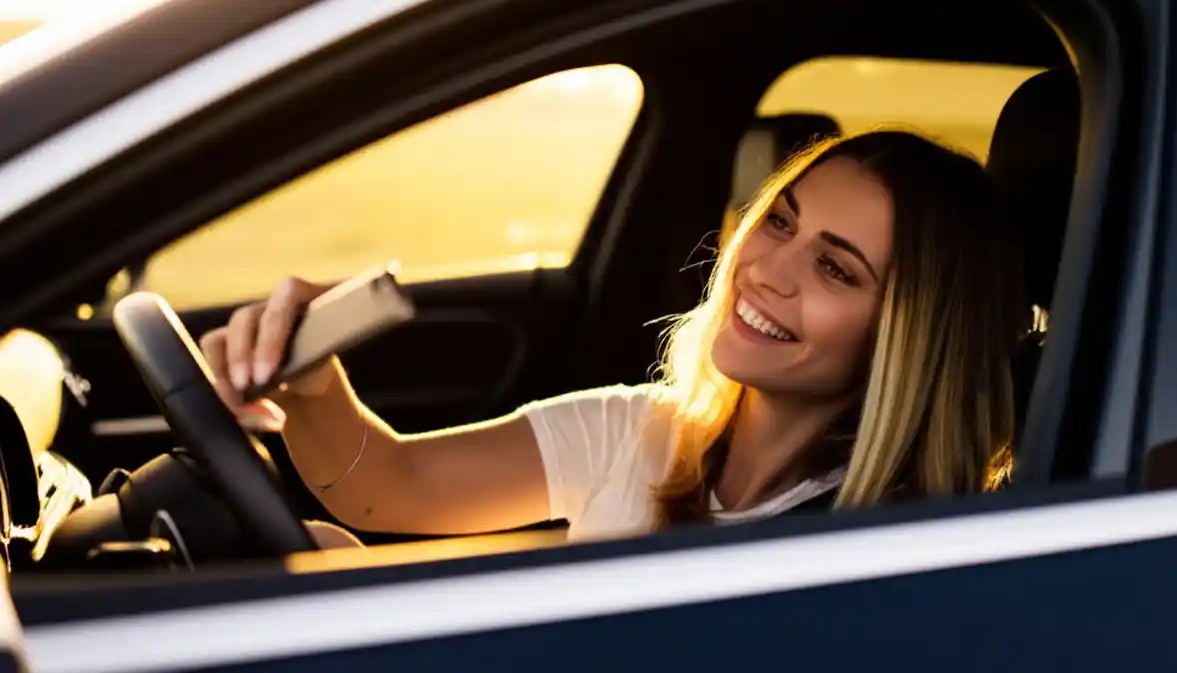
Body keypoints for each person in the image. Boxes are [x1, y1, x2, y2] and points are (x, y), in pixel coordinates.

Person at [200, 131, 1024, 544]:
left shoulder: (888, 553)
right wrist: (315, 389)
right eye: (779, 220)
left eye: (837, 270)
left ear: (909, 339)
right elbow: (395, 482)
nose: (769, 270)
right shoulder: (638, 433)